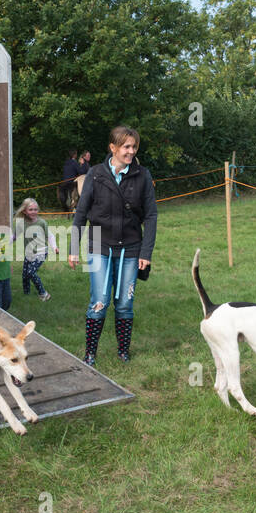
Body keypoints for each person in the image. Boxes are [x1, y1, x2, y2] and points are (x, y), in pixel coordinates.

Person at [67, 126, 156, 364]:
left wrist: (146, 252)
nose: (131, 151)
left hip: (131, 247)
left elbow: (151, 216)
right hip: (99, 245)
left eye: (134, 146)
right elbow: (81, 213)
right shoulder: (95, 174)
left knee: (125, 304)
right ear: (113, 148)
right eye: (126, 146)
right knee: (99, 302)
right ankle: (90, 354)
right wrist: (73, 249)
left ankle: (123, 352)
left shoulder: (142, 175)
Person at [15, 197, 57, 301]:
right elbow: (15, 236)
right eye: (31, 209)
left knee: (31, 272)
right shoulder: (21, 223)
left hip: (41, 252)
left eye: (35, 209)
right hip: (29, 253)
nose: (34, 212)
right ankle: (26, 294)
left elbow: (50, 236)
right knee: (25, 275)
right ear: (24, 211)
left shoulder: (41, 222)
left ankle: (43, 294)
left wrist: (54, 247)